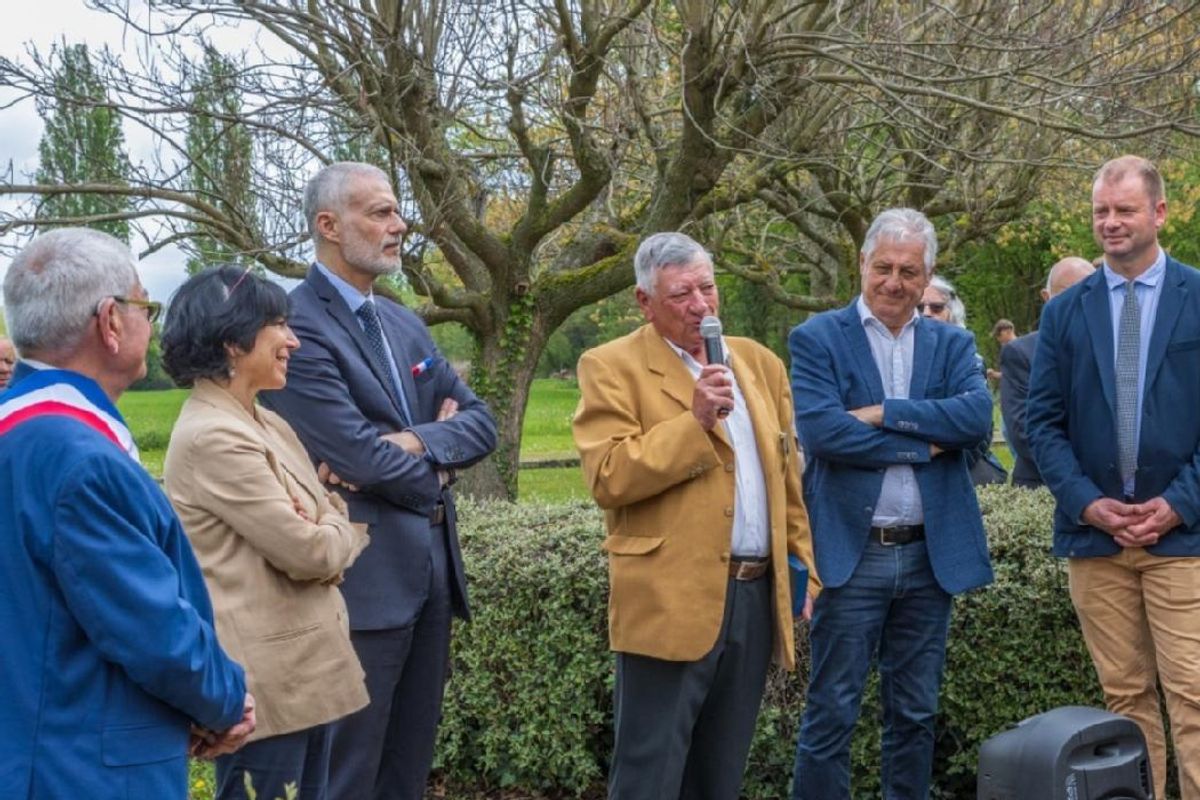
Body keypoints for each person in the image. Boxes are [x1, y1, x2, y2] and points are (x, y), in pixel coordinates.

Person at [259, 161, 498, 800]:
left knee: (406, 769)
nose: (400, 225)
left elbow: (481, 421)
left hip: (431, 577)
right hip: (358, 586)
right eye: (381, 213)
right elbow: (354, 456)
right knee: (346, 776)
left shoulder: (402, 322)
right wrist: (440, 470)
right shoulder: (295, 324)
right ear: (328, 225)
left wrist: (420, 442)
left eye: (396, 212)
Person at [0, 228, 253, 799]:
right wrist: (226, 700)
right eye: (145, 305)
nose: (150, 321)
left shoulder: (18, 430)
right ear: (110, 322)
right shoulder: (80, 461)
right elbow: (154, 631)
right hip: (78, 767)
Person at [572, 231, 820, 799]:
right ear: (644, 301)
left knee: (720, 772)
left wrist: (803, 564)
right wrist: (695, 422)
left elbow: (787, 476)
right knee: (650, 773)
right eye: (682, 294)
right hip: (669, 596)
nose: (702, 305)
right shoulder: (610, 366)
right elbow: (608, 475)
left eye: (707, 288)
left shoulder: (757, 362)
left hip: (755, 594)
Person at [788, 208, 994, 799]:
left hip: (929, 558)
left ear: (927, 272)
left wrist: (884, 412)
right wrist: (931, 441)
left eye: (909, 270)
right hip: (855, 556)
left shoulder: (952, 343)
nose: (894, 282)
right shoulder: (819, 338)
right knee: (832, 714)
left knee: (914, 716)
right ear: (862, 264)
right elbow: (826, 434)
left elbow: (976, 418)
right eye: (883, 267)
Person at [161, 267, 371, 800]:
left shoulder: (264, 422)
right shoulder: (215, 436)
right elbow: (312, 551)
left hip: (304, 677)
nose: (293, 340)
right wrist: (331, 522)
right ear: (232, 342)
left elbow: (321, 519)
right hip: (269, 690)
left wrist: (324, 518)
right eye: (278, 324)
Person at [1027, 155, 1200, 800]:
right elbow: (1040, 423)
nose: (1110, 222)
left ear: (1159, 212)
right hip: (1096, 541)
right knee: (1124, 700)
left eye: (1125, 210)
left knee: (1194, 697)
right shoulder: (1067, 313)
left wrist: (1179, 503)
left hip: (1184, 539)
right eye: (1101, 211)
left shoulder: (1197, 297)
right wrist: (1085, 503)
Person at [999, 257, 1094, 489]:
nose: (1078, 301)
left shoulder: (1115, 348)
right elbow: (1023, 432)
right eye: (1067, 293)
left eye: (1088, 292)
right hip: (1043, 487)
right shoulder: (1020, 353)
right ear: (1046, 297)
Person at [920, 275, 1008, 487]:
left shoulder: (971, 360)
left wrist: (947, 469)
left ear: (952, 314)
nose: (926, 313)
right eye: (918, 307)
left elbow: (980, 429)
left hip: (958, 471)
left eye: (936, 308)